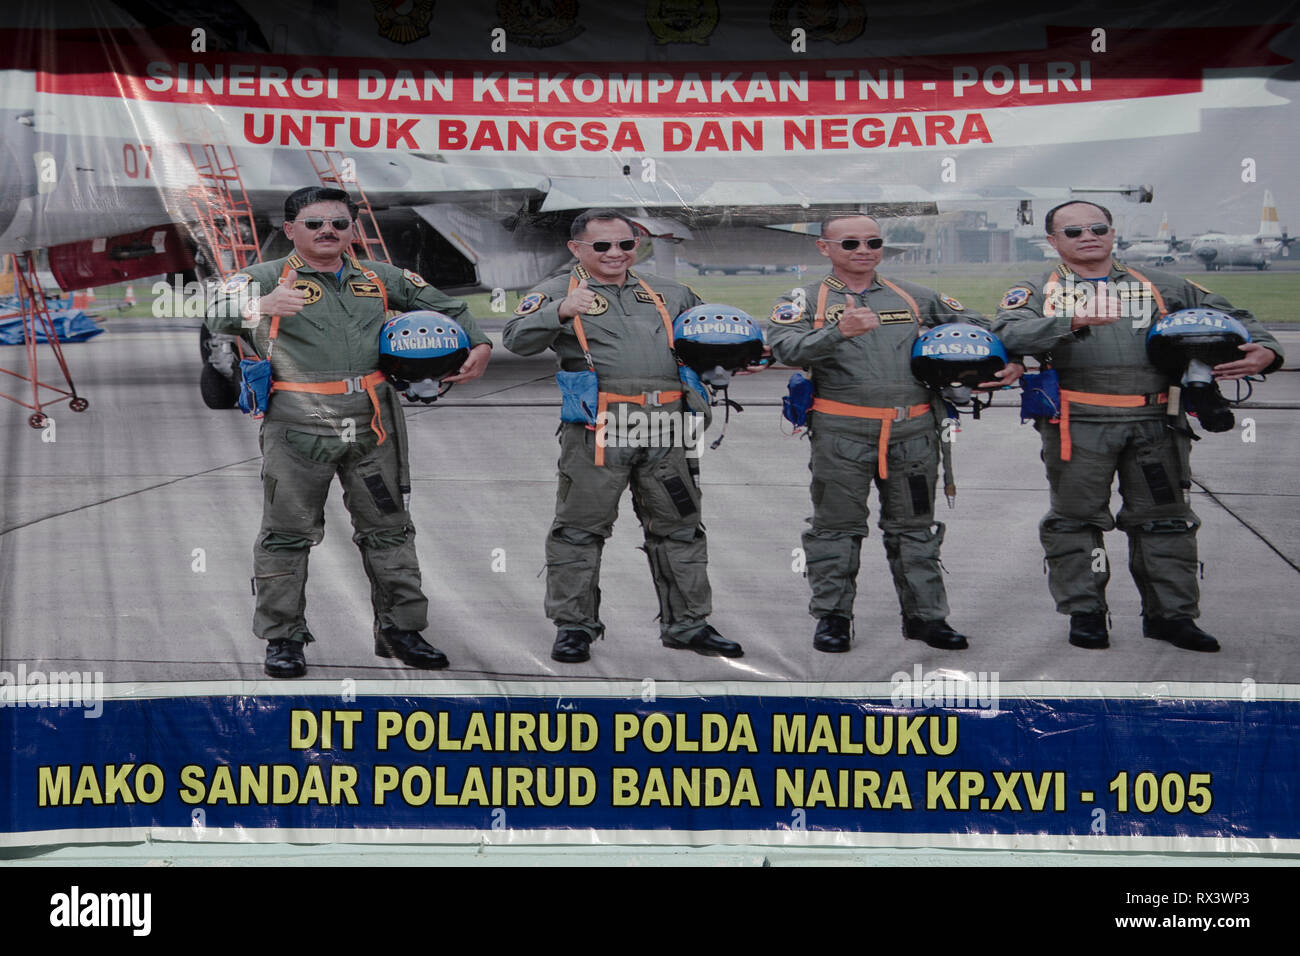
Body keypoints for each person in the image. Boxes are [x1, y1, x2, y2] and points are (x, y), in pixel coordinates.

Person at [206, 186, 492, 678]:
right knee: (286, 535)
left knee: (389, 530)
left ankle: (401, 631)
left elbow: (454, 309)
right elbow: (210, 313)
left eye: (339, 223)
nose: (328, 232)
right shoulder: (261, 278)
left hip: (372, 425)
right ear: (291, 229)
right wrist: (260, 306)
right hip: (298, 427)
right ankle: (283, 639)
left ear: (352, 229)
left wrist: (481, 346)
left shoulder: (378, 278)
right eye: (315, 223)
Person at [992, 200, 1283, 652]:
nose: (1088, 236)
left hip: (1155, 424)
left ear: (1112, 232)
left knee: (1165, 520)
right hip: (1078, 424)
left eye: (1098, 227)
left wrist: (1265, 348)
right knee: (1075, 521)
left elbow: (1234, 317)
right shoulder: (1037, 289)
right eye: (1073, 232)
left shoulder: (1162, 285)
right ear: (1053, 241)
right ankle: (1085, 613)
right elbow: (1007, 335)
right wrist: (1073, 319)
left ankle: (1172, 616)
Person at [768, 215, 1021, 653]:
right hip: (842, 432)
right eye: (850, 243)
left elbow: (982, 328)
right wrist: (836, 332)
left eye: (873, 241)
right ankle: (833, 618)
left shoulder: (913, 296)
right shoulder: (804, 299)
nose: (863, 250)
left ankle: (926, 618)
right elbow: (784, 348)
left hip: (914, 432)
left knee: (915, 528)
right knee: (836, 529)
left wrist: (1009, 358)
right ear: (824, 248)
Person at [502, 208, 741, 663]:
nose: (616, 253)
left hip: (668, 428)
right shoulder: (557, 292)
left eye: (626, 244)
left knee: (680, 529)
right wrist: (559, 312)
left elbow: (712, 339)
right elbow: (516, 338)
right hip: (600, 429)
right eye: (602, 245)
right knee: (579, 531)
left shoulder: (672, 293)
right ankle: (574, 627)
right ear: (576, 249)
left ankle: (688, 624)